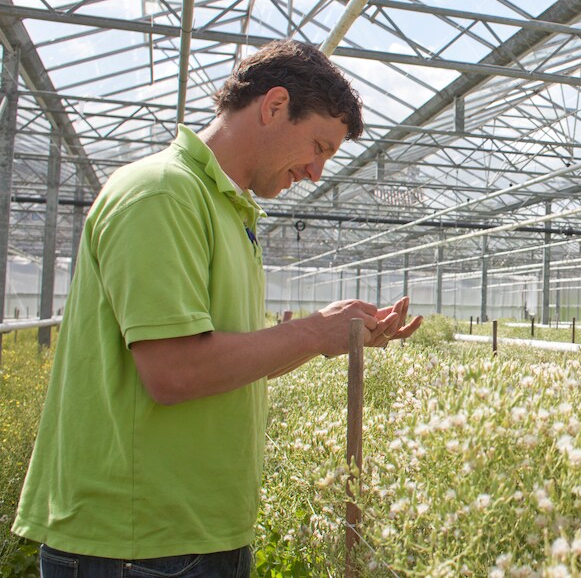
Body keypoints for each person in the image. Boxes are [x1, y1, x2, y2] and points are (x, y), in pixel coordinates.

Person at [13, 40, 423, 576]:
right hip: (138, 543)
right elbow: (175, 372)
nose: (318, 172)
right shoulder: (162, 194)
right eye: (319, 145)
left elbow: (228, 362)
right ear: (275, 107)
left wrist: (334, 332)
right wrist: (311, 334)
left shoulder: (228, 211)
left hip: (197, 532)